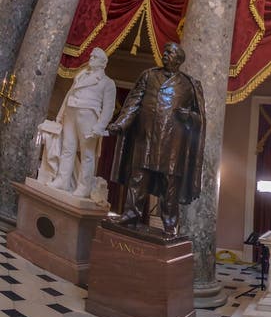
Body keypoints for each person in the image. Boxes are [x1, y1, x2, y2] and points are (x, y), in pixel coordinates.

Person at [107, 41, 205, 237]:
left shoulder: (190, 84)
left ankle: (170, 224)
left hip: (172, 143)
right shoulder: (149, 75)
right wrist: (121, 123)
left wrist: (189, 117)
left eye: (170, 52)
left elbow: (199, 118)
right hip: (146, 137)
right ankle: (131, 215)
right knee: (138, 178)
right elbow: (134, 103)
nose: (165, 54)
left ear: (179, 59)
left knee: (170, 185)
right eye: (165, 51)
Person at [49, 47, 116, 198]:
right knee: (67, 148)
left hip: (89, 117)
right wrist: (60, 115)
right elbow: (68, 95)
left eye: (95, 57)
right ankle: (62, 180)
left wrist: (99, 126)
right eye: (91, 56)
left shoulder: (107, 83)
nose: (91, 57)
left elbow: (108, 108)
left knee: (87, 153)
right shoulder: (81, 75)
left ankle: (84, 187)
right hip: (71, 112)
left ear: (103, 63)